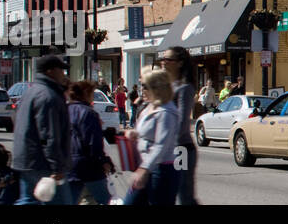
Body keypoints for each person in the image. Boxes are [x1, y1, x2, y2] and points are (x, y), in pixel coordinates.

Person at [12, 54, 73, 205]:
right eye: (61, 70)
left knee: (28, 200)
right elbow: (48, 135)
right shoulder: (48, 96)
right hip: (42, 163)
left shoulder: (31, 92)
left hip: (26, 160)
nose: (63, 74)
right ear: (50, 71)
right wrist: (56, 167)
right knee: (60, 202)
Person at [124, 69, 180, 206]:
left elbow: (161, 145)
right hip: (146, 166)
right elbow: (146, 132)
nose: (141, 90)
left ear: (157, 88)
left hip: (162, 170)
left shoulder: (167, 112)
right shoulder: (150, 106)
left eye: (145, 86)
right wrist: (134, 133)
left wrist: (144, 169)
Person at [160, 47, 198, 204]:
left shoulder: (185, 88)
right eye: (163, 59)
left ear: (180, 63)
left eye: (168, 60)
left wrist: (166, 143)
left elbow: (182, 122)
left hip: (181, 147)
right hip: (167, 147)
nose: (164, 62)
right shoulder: (166, 86)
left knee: (183, 194)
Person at [66, 81, 114, 205]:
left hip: (69, 164)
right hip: (89, 166)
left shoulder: (65, 110)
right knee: (105, 199)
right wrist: (103, 161)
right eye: (92, 93)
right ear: (86, 94)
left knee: (74, 199)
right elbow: (94, 142)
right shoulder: (89, 113)